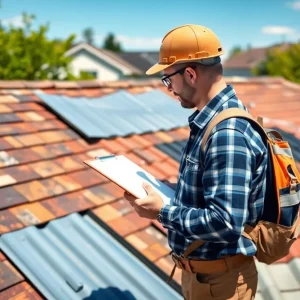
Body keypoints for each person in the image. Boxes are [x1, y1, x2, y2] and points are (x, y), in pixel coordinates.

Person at [124, 24, 268, 300]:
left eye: (168, 79)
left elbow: (225, 222)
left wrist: (162, 212)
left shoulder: (226, 132)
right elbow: (211, 191)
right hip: (206, 277)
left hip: (220, 283)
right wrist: (173, 193)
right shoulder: (214, 120)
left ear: (190, 74)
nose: (169, 89)